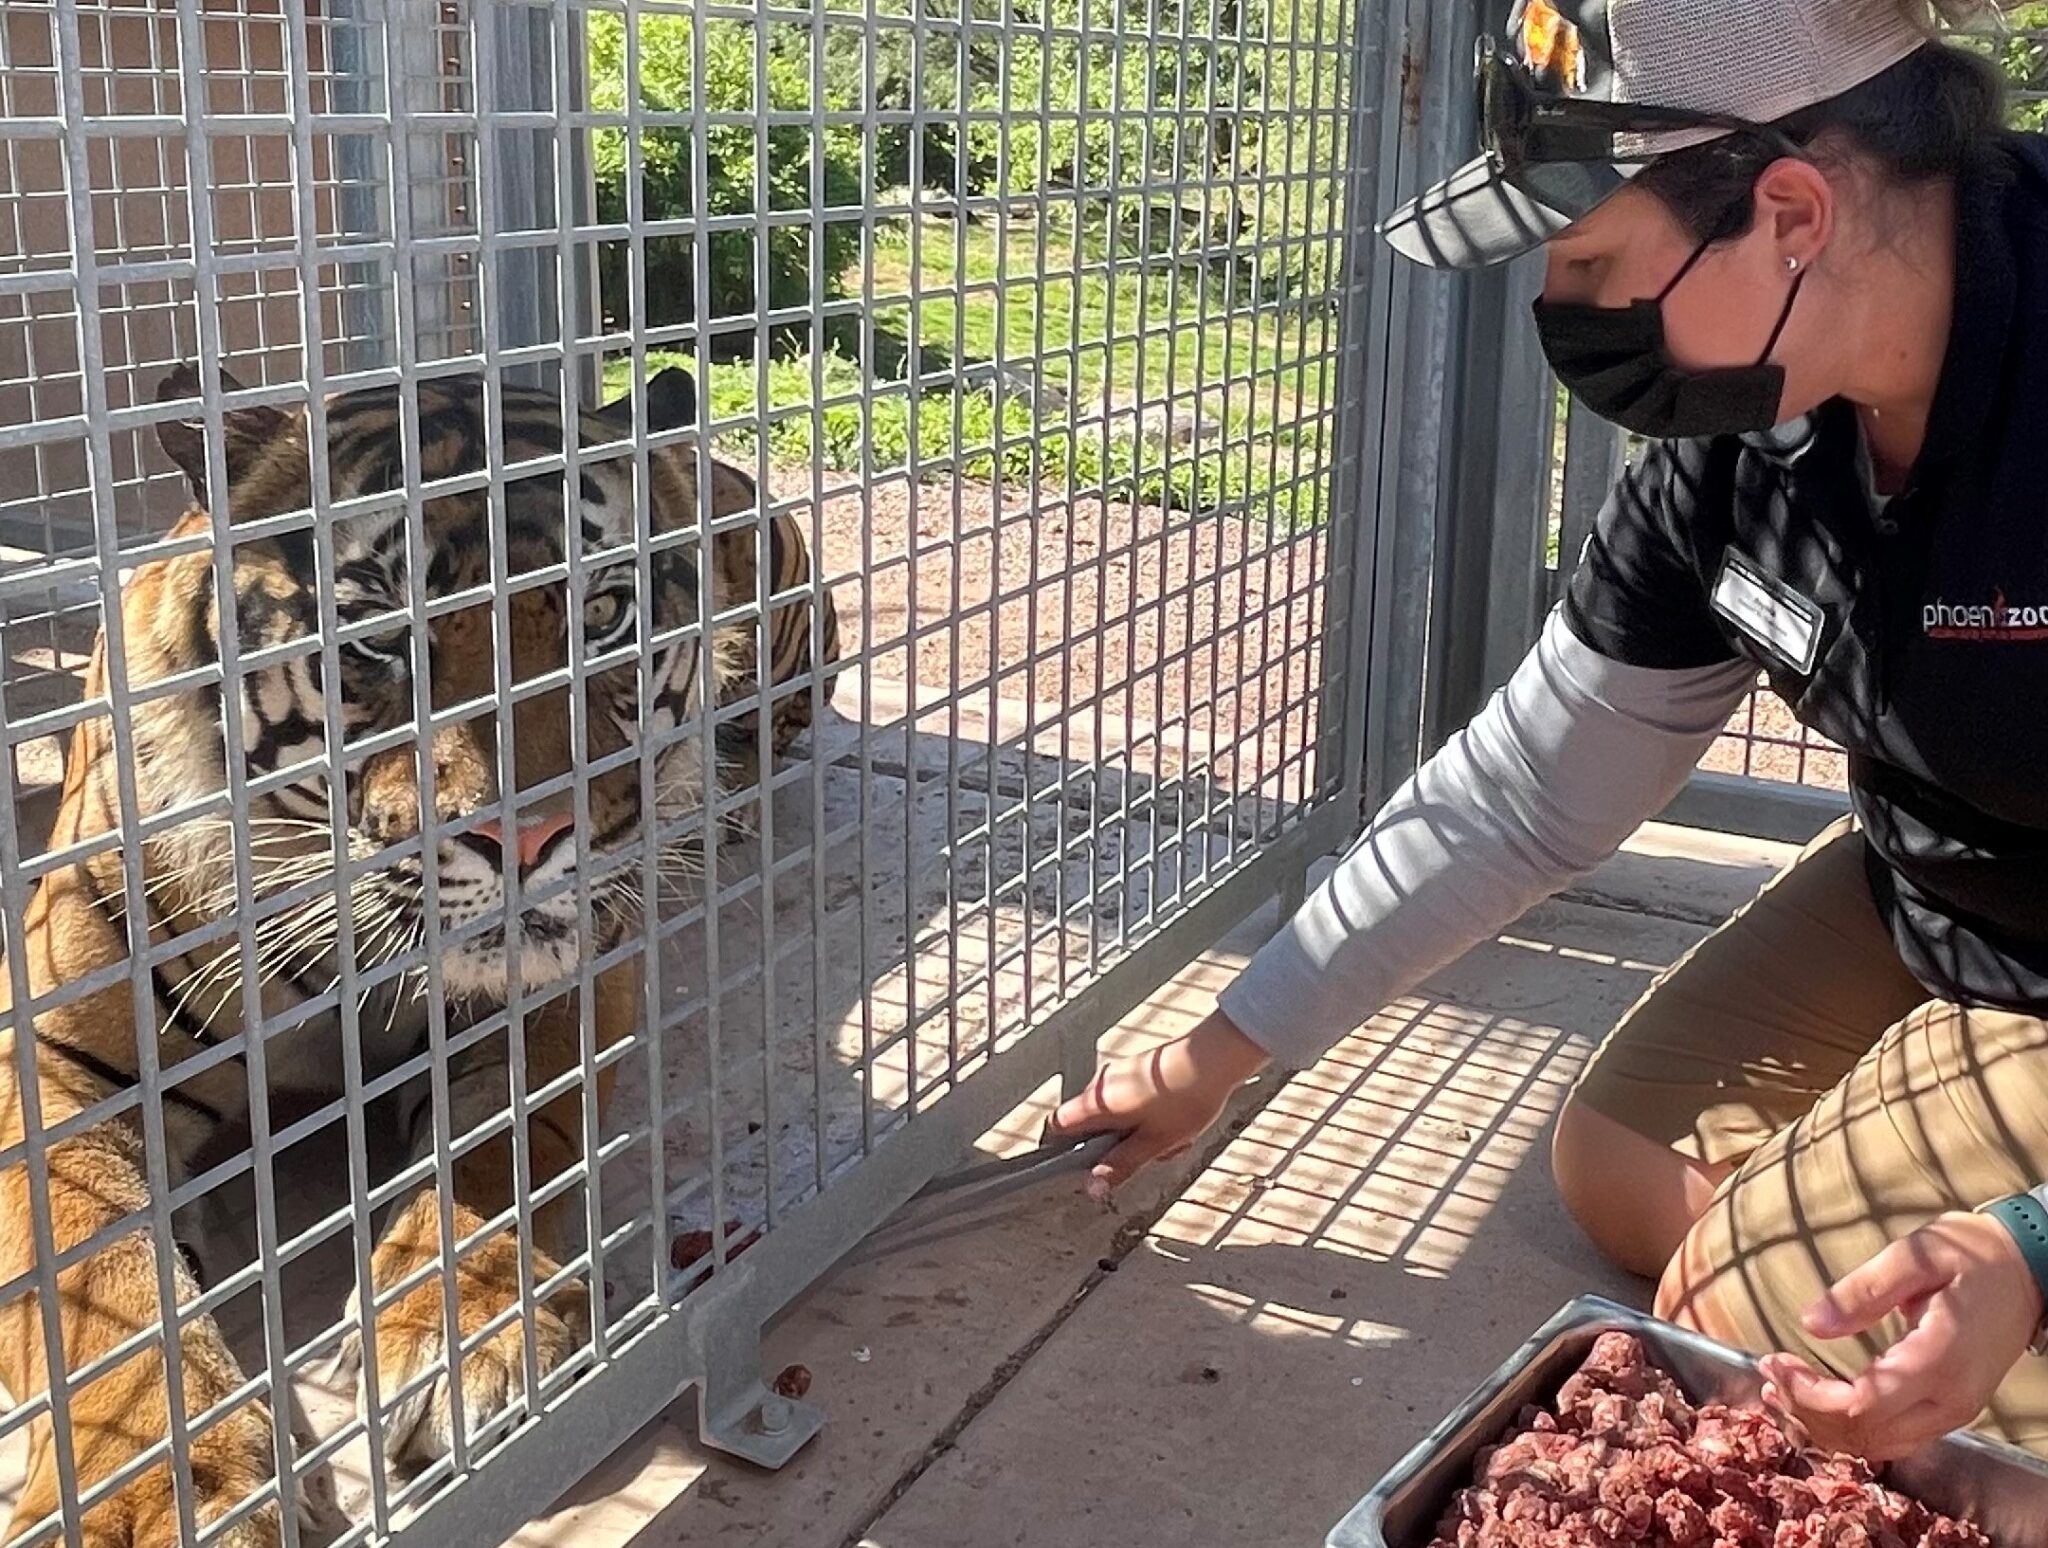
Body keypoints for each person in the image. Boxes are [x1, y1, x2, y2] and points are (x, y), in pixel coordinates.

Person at [1052, 0, 2048, 1465]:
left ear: (1789, 213)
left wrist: (2031, 1233)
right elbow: (1523, 795)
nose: (1563, 308)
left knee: (1739, 1306)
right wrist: (1226, 1049)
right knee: (1617, 1167)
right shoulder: (1743, 449)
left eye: (1590, 262)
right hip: (1941, 881)